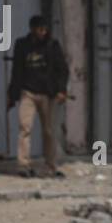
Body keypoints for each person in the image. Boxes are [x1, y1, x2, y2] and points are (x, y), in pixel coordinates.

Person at [8, 15, 69, 178]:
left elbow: (62, 69)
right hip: (28, 92)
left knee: (49, 131)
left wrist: (61, 90)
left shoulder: (52, 46)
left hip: (47, 95)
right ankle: (23, 165)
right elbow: (17, 71)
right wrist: (12, 95)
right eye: (40, 29)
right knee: (24, 127)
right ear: (33, 29)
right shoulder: (22, 46)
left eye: (45, 29)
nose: (43, 32)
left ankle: (50, 165)